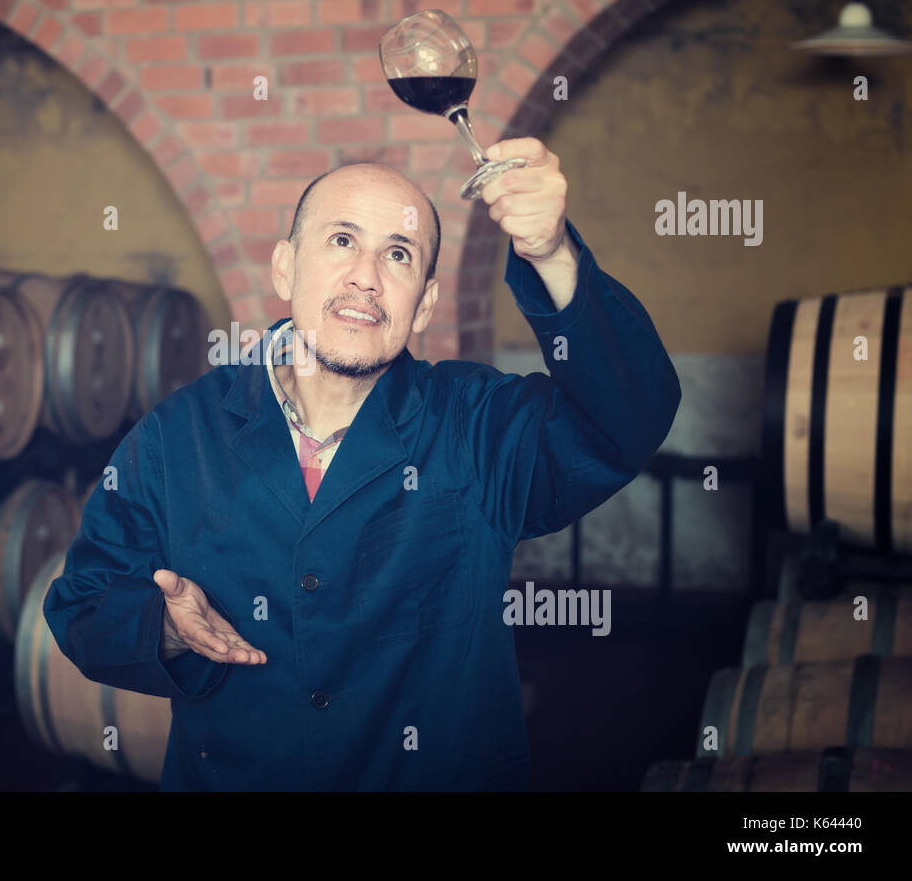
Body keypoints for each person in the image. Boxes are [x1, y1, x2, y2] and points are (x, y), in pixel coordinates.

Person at [44, 139, 681, 790]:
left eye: (397, 254)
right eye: (342, 241)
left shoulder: (476, 424)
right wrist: (164, 629)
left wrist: (551, 254)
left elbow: (627, 416)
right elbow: (81, 606)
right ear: (286, 269)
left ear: (425, 305)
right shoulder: (177, 436)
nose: (366, 277)